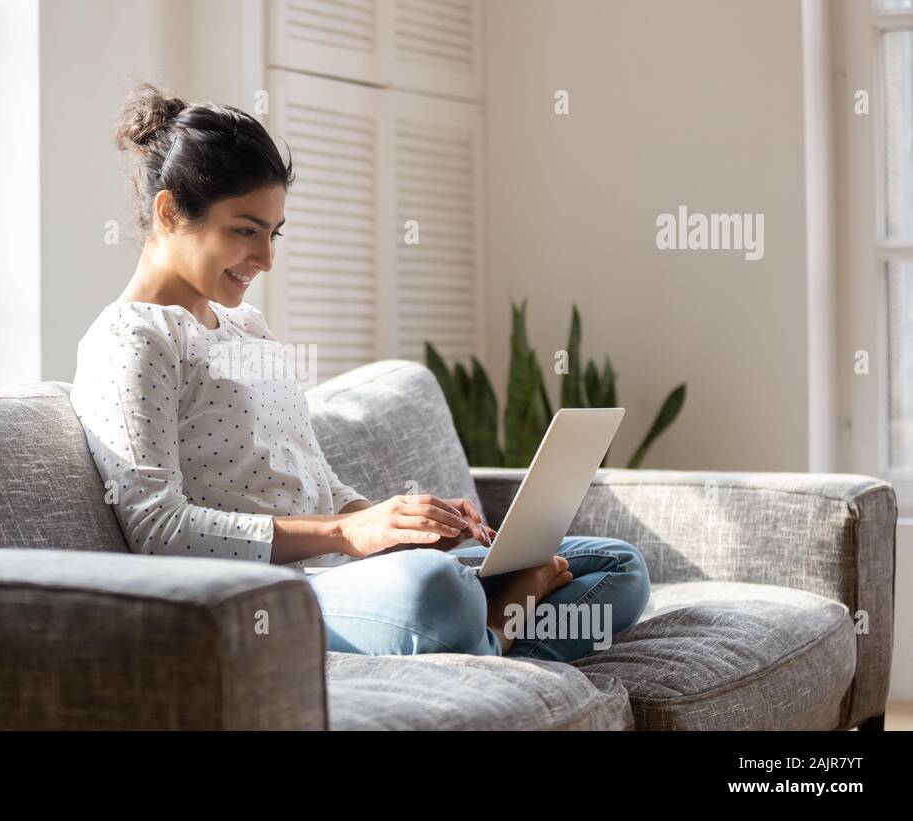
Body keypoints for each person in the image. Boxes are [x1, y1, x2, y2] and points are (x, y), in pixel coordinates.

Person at [69, 81, 650, 662]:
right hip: (266, 598)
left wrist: (398, 523)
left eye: (273, 234)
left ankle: (479, 644)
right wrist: (347, 535)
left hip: (350, 580)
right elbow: (159, 531)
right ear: (169, 213)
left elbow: (317, 484)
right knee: (438, 590)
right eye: (245, 230)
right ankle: (497, 628)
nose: (266, 259)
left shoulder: (247, 328)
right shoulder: (132, 340)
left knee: (618, 567)